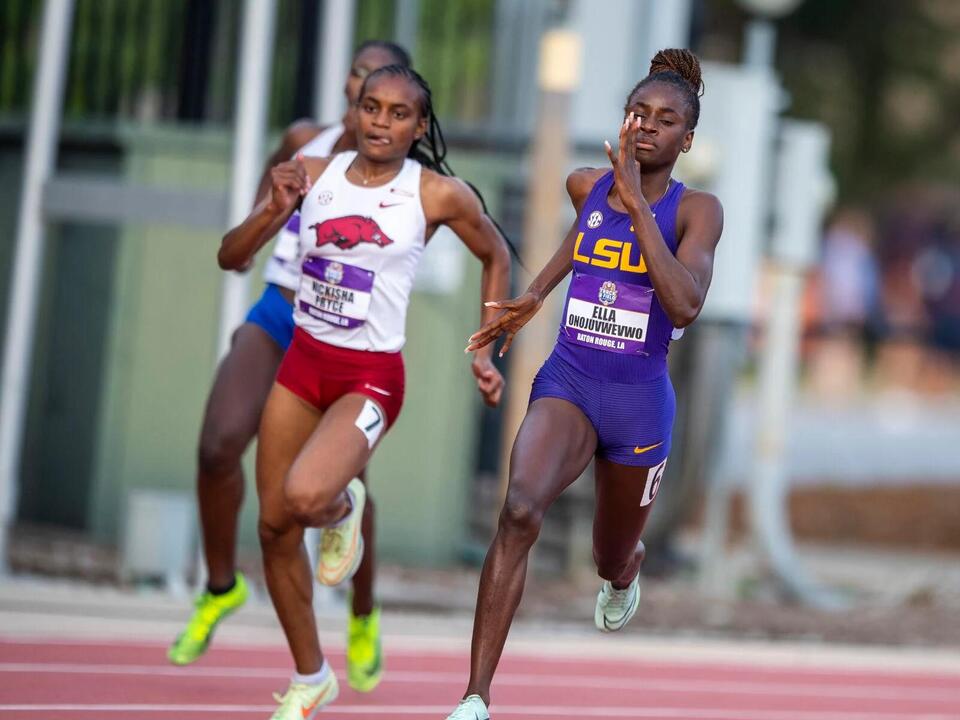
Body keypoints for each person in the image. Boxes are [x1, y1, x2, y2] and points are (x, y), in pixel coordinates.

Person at [218, 64, 511, 719]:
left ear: (420, 126)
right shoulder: (313, 175)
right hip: (302, 365)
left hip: (371, 377)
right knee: (271, 527)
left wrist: (488, 343)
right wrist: (272, 207)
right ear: (353, 114)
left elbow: (496, 255)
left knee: (305, 496)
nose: (380, 121)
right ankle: (310, 675)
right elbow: (231, 255)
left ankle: (343, 510)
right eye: (370, 108)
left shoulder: (436, 194)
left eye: (398, 113)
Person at [447, 49, 724, 720]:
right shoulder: (585, 184)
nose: (647, 127)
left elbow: (685, 304)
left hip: (638, 402)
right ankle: (475, 698)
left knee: (609, 553)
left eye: (664, 120)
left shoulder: (698, 212)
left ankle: (624, 573)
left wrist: (637, 204)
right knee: (518, 510)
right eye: (638, 114)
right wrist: (536, 292)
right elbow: (583, 236)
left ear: (686, 140)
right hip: (571, 376)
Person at [168, 41, 411, 694]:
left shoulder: (407, 171)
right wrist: (264, 216)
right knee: (219, 444)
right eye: (360, 77)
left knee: (343, 486)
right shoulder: (304, 142)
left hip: (350, 343)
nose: (369, 97)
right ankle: (220, 588)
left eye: (383, 87)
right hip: (282, 313)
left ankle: (362, 614)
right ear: (347, 89)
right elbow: (250, 234)